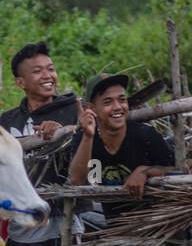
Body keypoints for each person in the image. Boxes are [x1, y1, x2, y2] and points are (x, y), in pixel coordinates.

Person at [0, 42, 85, 246]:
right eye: (37, 71)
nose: (48, 76)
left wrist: (63, 133)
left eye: (51, 69)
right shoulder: (8, 121)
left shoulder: (72, 111)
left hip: (61, 222)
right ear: (20, 83)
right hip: (20, 228)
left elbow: (87, 158)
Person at [68, 72, 174, 220]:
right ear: (91, 108)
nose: (118, 107)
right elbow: (76, 180)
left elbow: (173, 169)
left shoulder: (145, 135)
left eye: (122, 100)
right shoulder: (85, 139)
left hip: (157, 223)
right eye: (107, 102)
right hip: (114, 227)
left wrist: (145, 171)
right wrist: (88, 136)